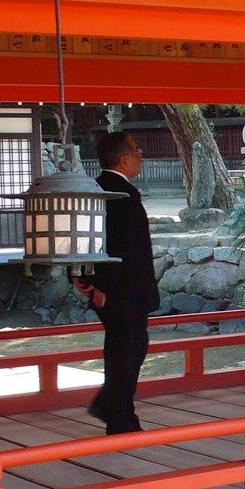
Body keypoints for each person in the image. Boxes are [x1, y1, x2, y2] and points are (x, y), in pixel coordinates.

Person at [74, 131, 159, 435]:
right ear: (124, 159)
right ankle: (119, 416)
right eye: (137, 153)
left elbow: (82, 238)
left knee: (126, 346)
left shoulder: (97, 189)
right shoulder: (118, 193)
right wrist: (103, 287)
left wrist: (81, 276)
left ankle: (114, 409)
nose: (140, 158)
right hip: (122, 289)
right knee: (127, 348)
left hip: (115, 287)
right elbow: (118, 245)